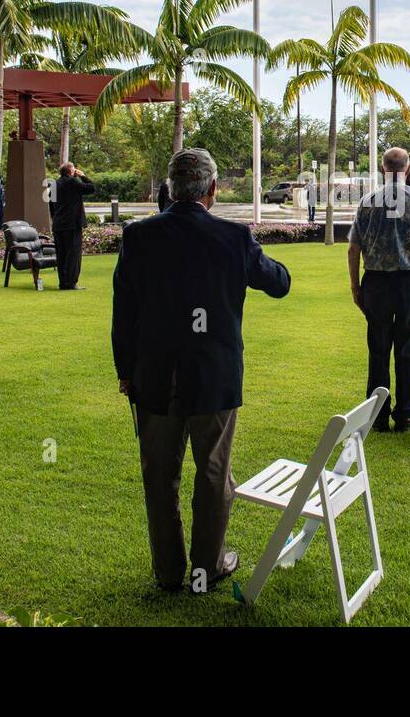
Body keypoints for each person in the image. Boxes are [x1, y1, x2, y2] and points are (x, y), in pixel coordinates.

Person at [112, 148, 291, 592]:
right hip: (213, 377)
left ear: (170, 189)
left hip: (153, 377)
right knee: (213, 473)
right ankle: (206, 568)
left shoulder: (138, 236)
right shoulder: (233, 236)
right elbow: (279, 282)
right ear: (212, 189)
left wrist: (125, 370)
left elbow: (123, 312)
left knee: (159, 475)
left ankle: (169, 573)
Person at [348, 146, 410, 433]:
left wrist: (355, 286)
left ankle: (376, 415)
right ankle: (405, 414)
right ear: (409, 169)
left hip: (376, 283)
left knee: (378, 350)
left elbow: (354, 248)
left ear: (381, 168)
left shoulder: (368, 201)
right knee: (408, 349)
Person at [51, 163, 95, 291]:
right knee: (73, 254)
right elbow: (91, 188)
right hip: (72, 223)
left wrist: (56, 217)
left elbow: (51, 205)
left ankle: (63, 282)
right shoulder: (73, 182)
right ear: (71, 171)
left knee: (62, 254)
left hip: (58, 224)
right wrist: (83, 176)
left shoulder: (54, 184)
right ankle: (71, 282)